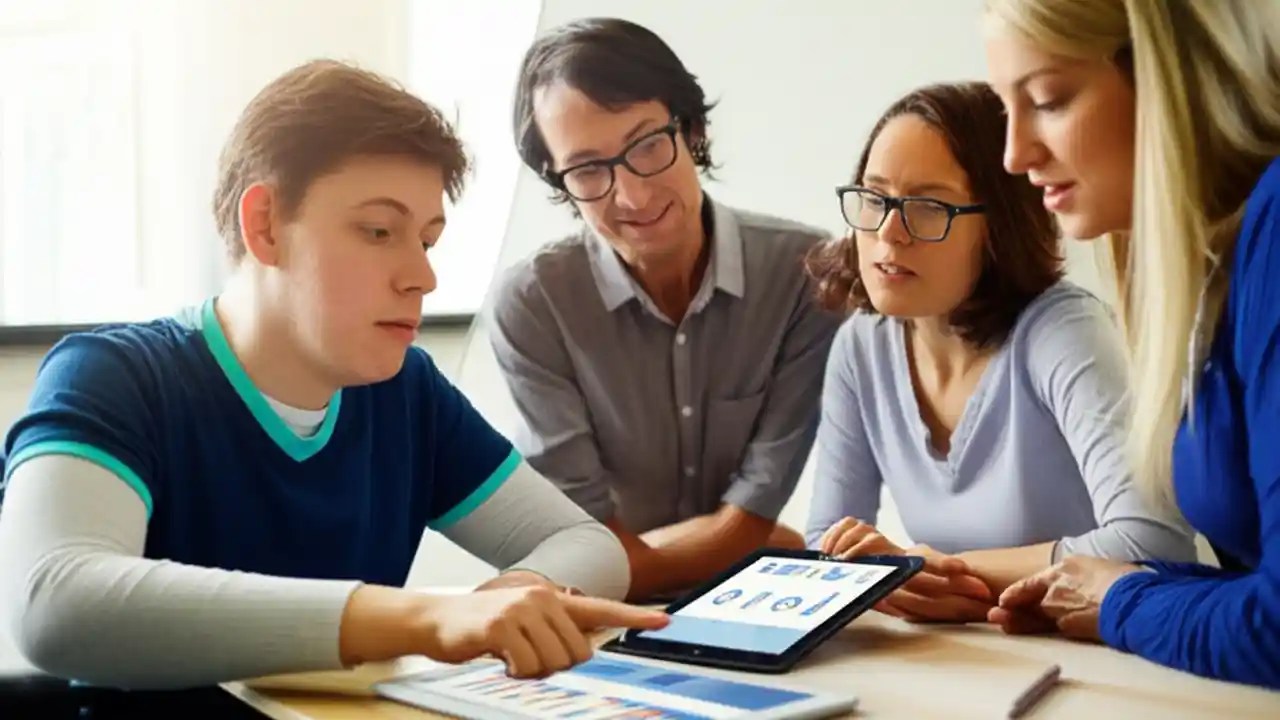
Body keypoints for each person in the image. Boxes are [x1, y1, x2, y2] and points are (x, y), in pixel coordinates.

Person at [0, 60, 667, 690]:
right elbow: (53, 602)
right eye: (379, 231)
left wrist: (500, 606)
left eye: (428, 240)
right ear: (264, 225)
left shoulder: (408, 393)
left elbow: (584, 544)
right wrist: (425, 619)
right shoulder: (113, 377)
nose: (422, 276)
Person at [804, 81, 1195, 624]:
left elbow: (1154, 543)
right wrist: (894, 581)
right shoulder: (861, 343)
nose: (889, 236)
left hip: (1100, 657)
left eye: (927, 206)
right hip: (968, 656)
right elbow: (826, 539)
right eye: (874, 198)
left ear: (998, 227)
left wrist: (945, 570)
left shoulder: (1064, 330)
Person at [490, 18, 841, 601]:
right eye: (587, 170)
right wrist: (754, 544)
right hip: (602, 628)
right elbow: (587, 540)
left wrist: (750, 538)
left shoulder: (805, 275)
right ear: (560, 181)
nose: (631, 195)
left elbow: (748, 521)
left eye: (648, 145)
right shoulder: (533, 304)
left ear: (693, 129)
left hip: (745, 605)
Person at [983, 0, 1280, 688]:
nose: (1015, 153)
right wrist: (1119, 586)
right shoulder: (1215, 273)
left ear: (1173, 75)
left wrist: (1124, 599)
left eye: (1048, 100)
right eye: (1008, 110)